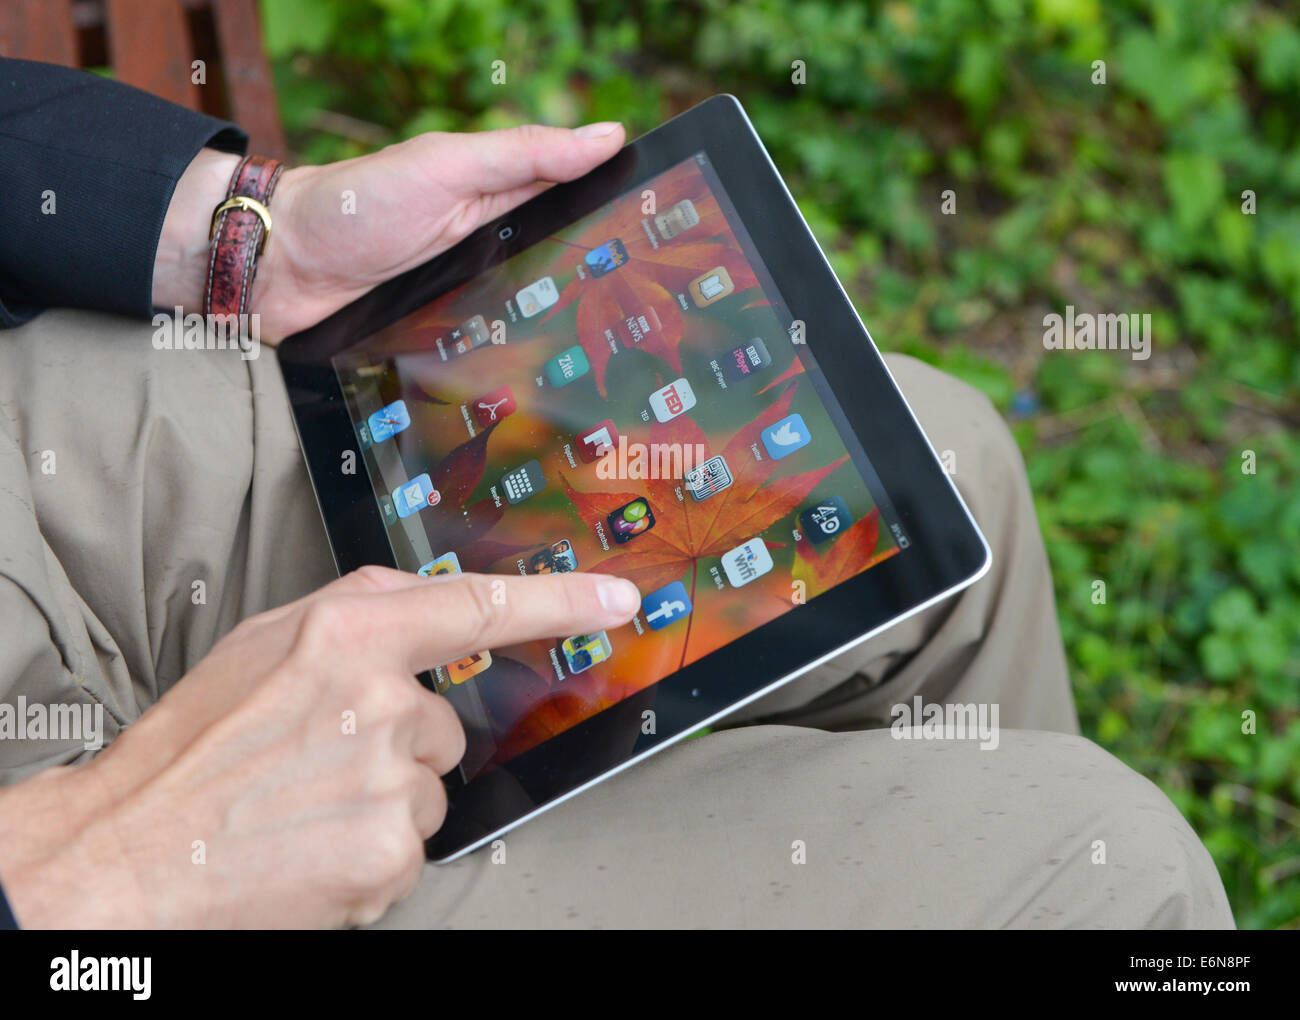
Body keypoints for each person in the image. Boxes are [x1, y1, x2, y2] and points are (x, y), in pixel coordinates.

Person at [0, 57, 1232, 928]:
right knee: (1115, 867)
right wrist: (100, 862)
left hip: (40, 431)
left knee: (940, 466)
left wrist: (250, 232)